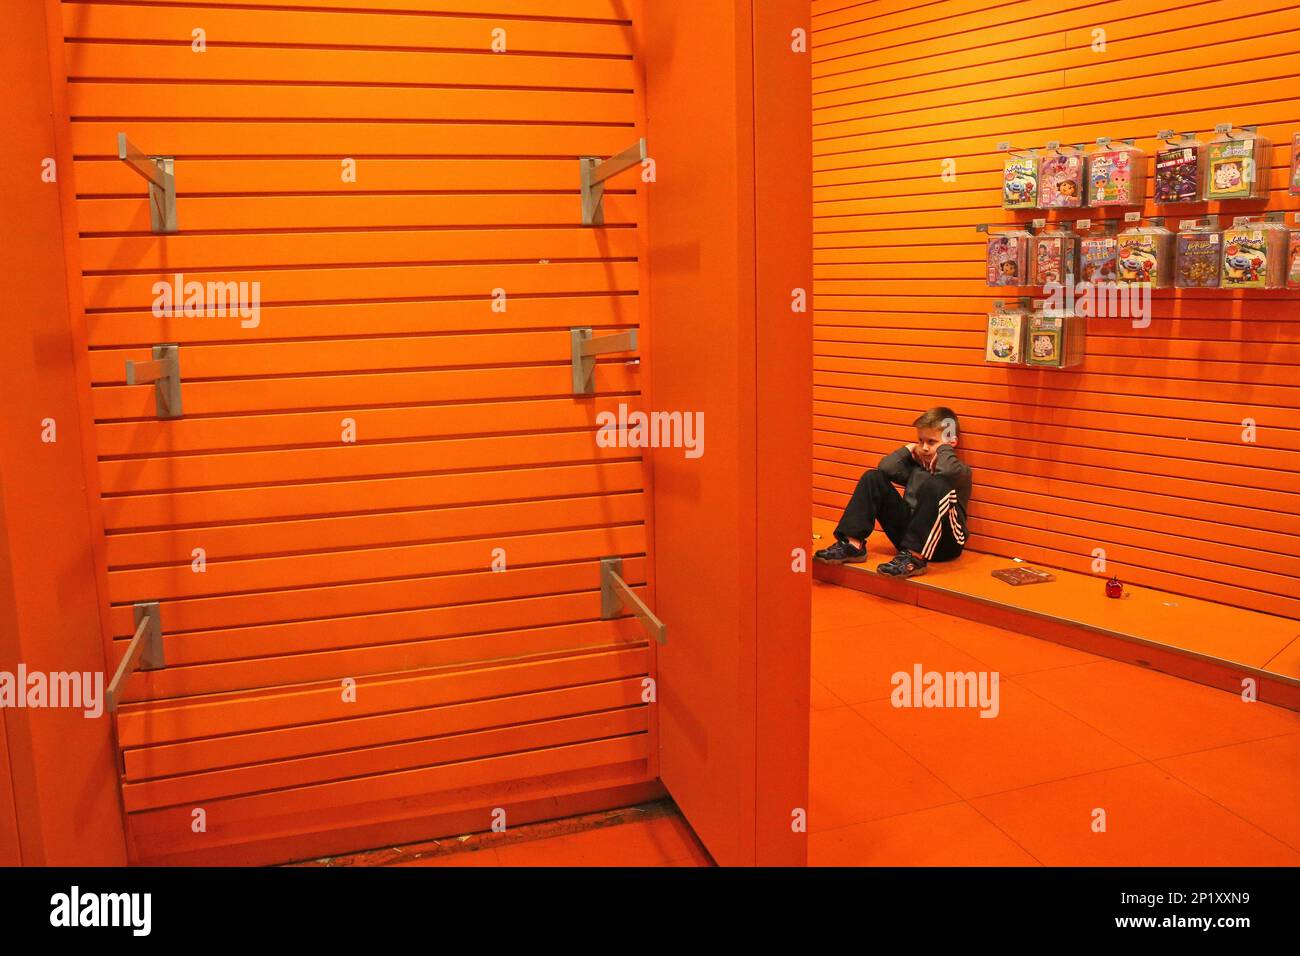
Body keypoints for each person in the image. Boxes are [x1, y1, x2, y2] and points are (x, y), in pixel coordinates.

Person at [814, 407, 973, 578]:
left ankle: (915, 558)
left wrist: (944, 448)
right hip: (908, 541)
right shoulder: (917, 469)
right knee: (873, 477)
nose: (925, 447)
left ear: (951, 443)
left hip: (946, 545)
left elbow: (946, 471)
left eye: (932, 442)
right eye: (921, 441)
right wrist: (909, 448)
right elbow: (886, 467)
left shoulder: (959, 472)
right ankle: (853, 545)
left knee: (935, 484)